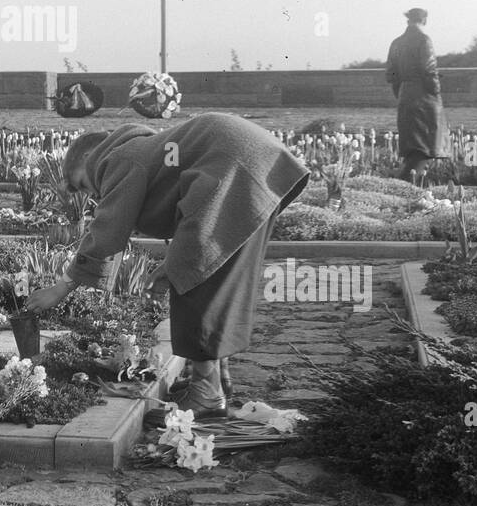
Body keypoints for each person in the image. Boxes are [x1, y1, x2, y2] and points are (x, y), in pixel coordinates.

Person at [23, 113, 310, 419]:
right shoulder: (144, 152)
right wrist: (172, 262)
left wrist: (61, 286)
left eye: (82, 183)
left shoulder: (118, 159)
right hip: (253, 162)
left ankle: (207, 396)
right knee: (218, 275)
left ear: (91, 156)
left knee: (193, 272)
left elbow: (107, 230)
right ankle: (214, 380)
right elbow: (180, 204)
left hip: (236, 164)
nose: (92, 195)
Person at [385, 8, 450, 182]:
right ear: (425, 20)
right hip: (424, 98)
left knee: (413, 148)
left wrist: (401, 93)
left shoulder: (396, 42)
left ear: (408, 20)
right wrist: (435, 91)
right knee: (424, 147)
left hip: (405, 96)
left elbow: (391, 74)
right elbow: (429, 70)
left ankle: (410, 187)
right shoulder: (424, 40)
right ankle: (406, 188)